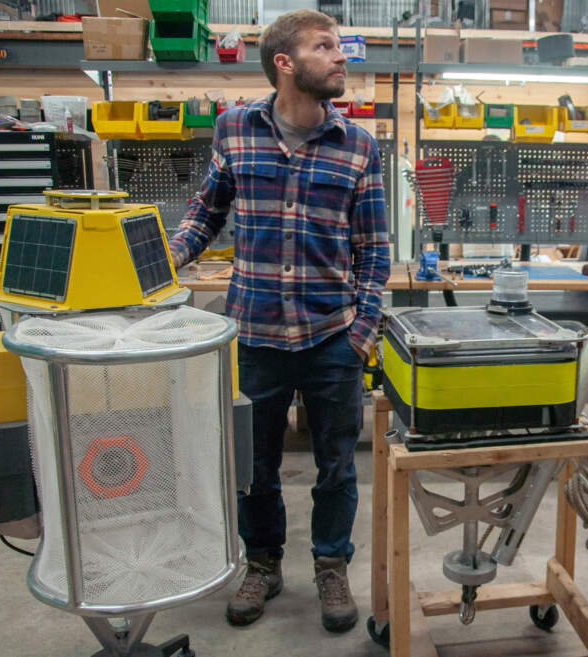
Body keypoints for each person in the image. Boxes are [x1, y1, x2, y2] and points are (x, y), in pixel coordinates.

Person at [167, 9, 390, 633]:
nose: (342, 56)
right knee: (254, 465)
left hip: (331, 339)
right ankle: (263, 564)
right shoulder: (234, 130)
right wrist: (160, 262)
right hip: (254, 334)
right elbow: (204, 215)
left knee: (337, 467)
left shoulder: (360, 146)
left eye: (340, 45)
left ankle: (330, 563)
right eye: (326, 47)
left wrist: (361, 334)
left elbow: (375, 250)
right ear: (285, 63)